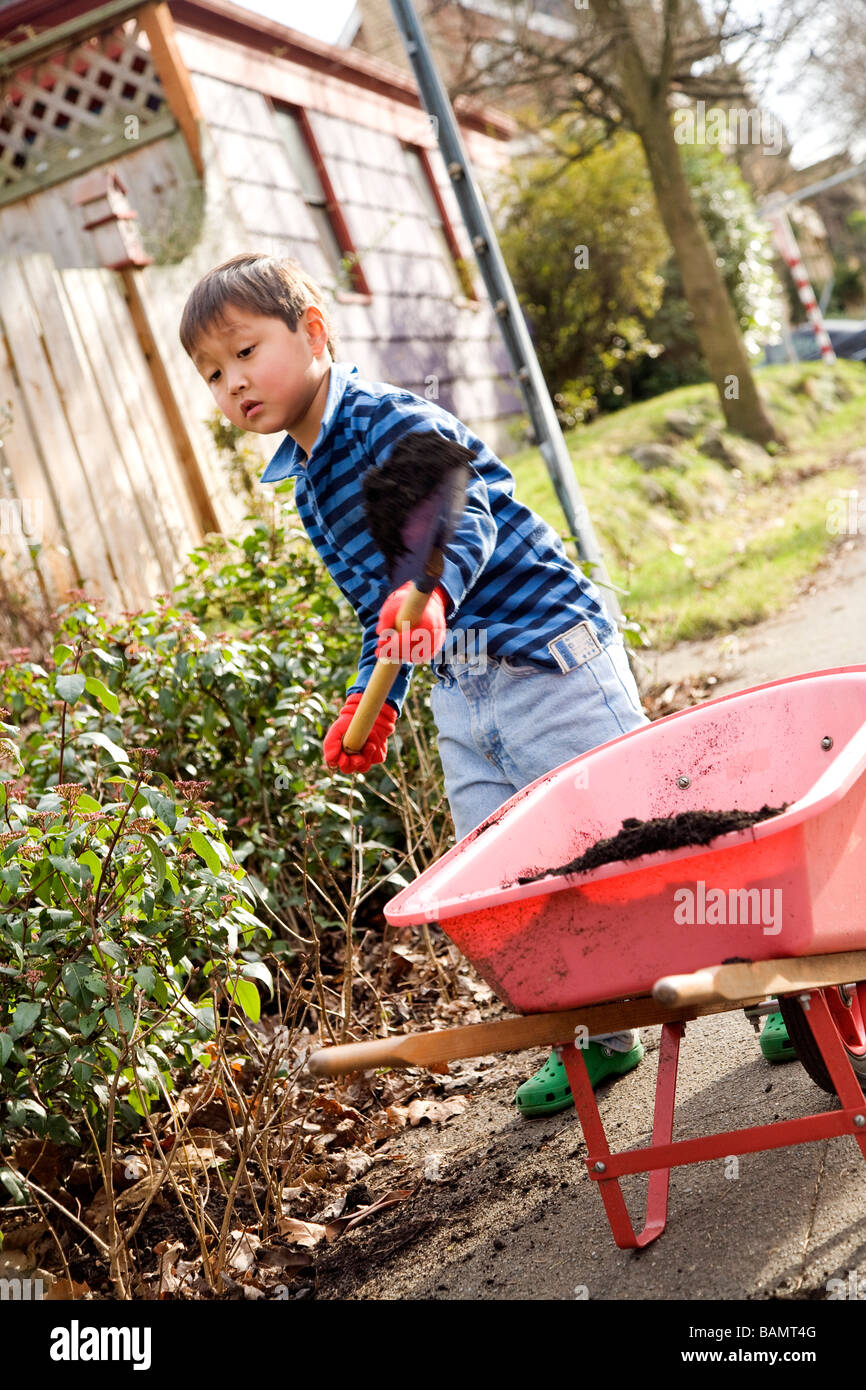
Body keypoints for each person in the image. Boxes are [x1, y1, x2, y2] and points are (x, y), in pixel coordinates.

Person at [179, 251, 656, 1118]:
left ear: (313, 330)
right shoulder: (306, 481)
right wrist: (378, 700)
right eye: (213, 374)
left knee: (635, 835)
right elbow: (381, 614)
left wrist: (428, 588)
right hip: (462, 694)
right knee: (513, 881)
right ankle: (599, 1035)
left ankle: (762, 980)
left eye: (246, 352)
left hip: (544, 656)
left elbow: (459, 513)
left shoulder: (383, 418)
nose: (232, 383)